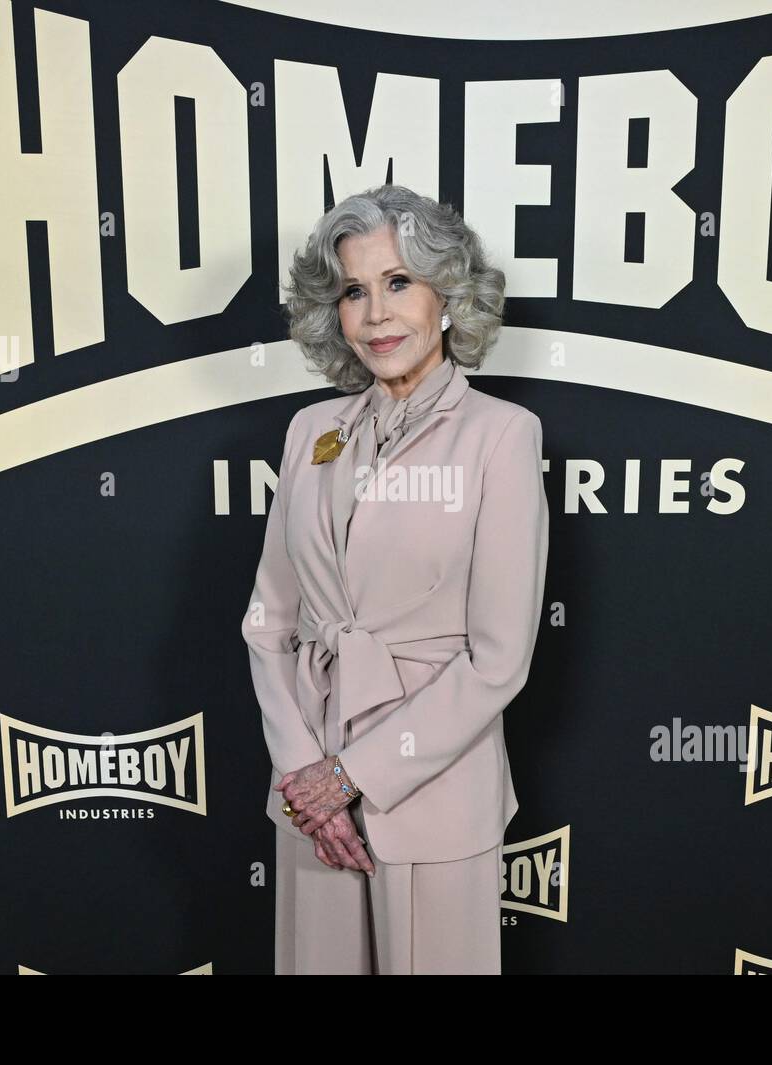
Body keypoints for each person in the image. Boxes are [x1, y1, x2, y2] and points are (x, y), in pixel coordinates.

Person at [241, 183, 549, 974]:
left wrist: (353, 775)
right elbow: (270, 622)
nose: (376, 314)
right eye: (354, 290)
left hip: (433, 795)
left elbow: (498, 658)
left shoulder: (503, 437)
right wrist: (305, 776)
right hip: (311, 801)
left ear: (447, 297)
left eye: (399, 282)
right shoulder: (311, 432)